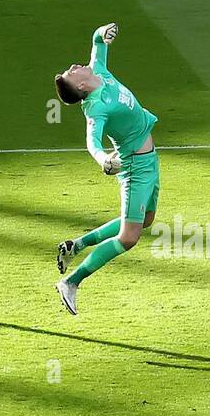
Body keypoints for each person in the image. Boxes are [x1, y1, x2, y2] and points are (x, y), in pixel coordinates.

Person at [52, 22, 160, 316]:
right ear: (82, 87)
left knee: (147, 219)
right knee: (129, 237)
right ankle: (71, 283)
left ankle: (77, 245)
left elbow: (97, 41)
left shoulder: (98, 71)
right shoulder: (96, 106)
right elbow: (91, 141)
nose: (73, 67)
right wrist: (103, 159)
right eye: (71, 73)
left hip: (150, 159)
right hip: (135, 168)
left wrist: (103, 33)